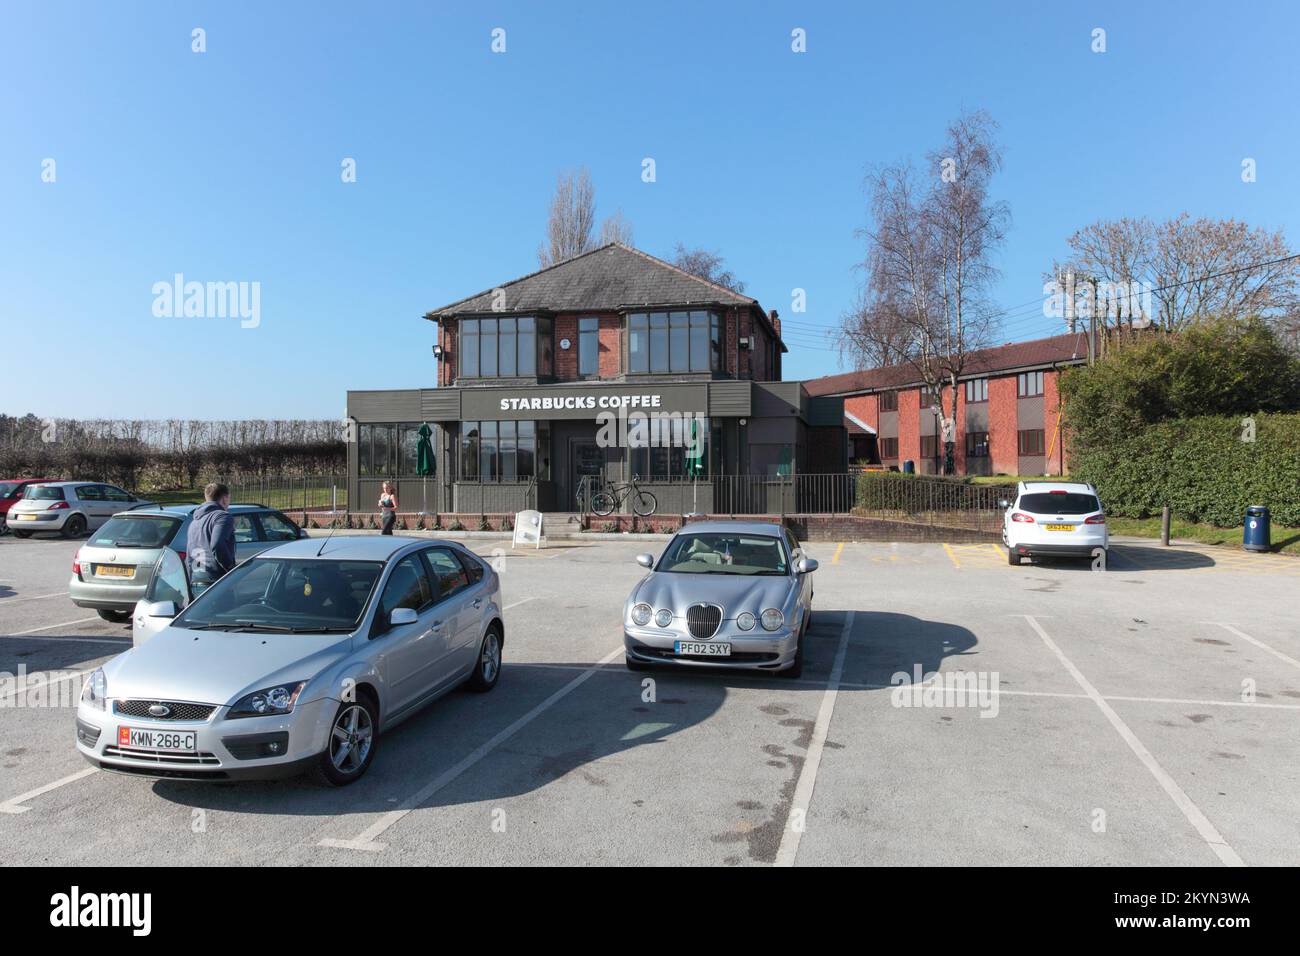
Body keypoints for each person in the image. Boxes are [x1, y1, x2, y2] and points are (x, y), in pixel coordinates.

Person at [187, 482, 236, 586]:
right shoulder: (223, 517)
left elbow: (189, 554)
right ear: (224, 499)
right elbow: (217, 544)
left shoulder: (194, 521)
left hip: (195, 579)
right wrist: (231, 568)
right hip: (216, 582)